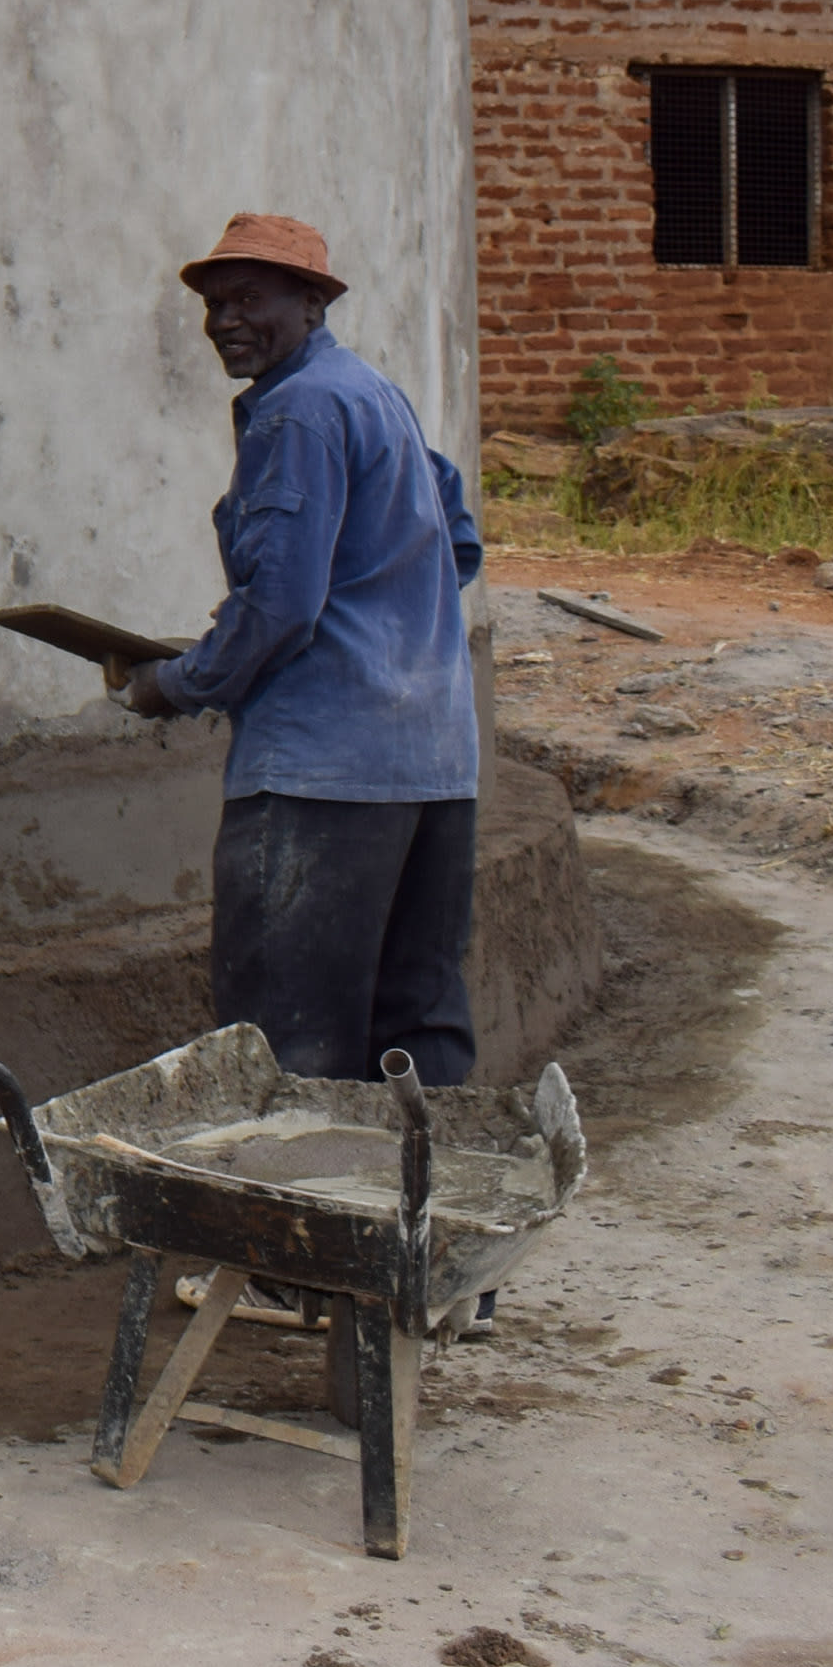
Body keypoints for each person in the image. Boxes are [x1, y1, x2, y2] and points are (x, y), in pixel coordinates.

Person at [124, 213, 486, 1087]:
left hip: (320, 777)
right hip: (433, 763)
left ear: (314, 302)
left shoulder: (299, 411)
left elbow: (282, 607)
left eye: (251, 298)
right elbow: (458, 544)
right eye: (214, 304)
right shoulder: (373, 394)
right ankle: (419, 1212)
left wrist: (177, 683)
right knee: (416, 1028)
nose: (224, 322)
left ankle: (304, 1219)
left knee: (288, 1041)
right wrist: (385, 615)